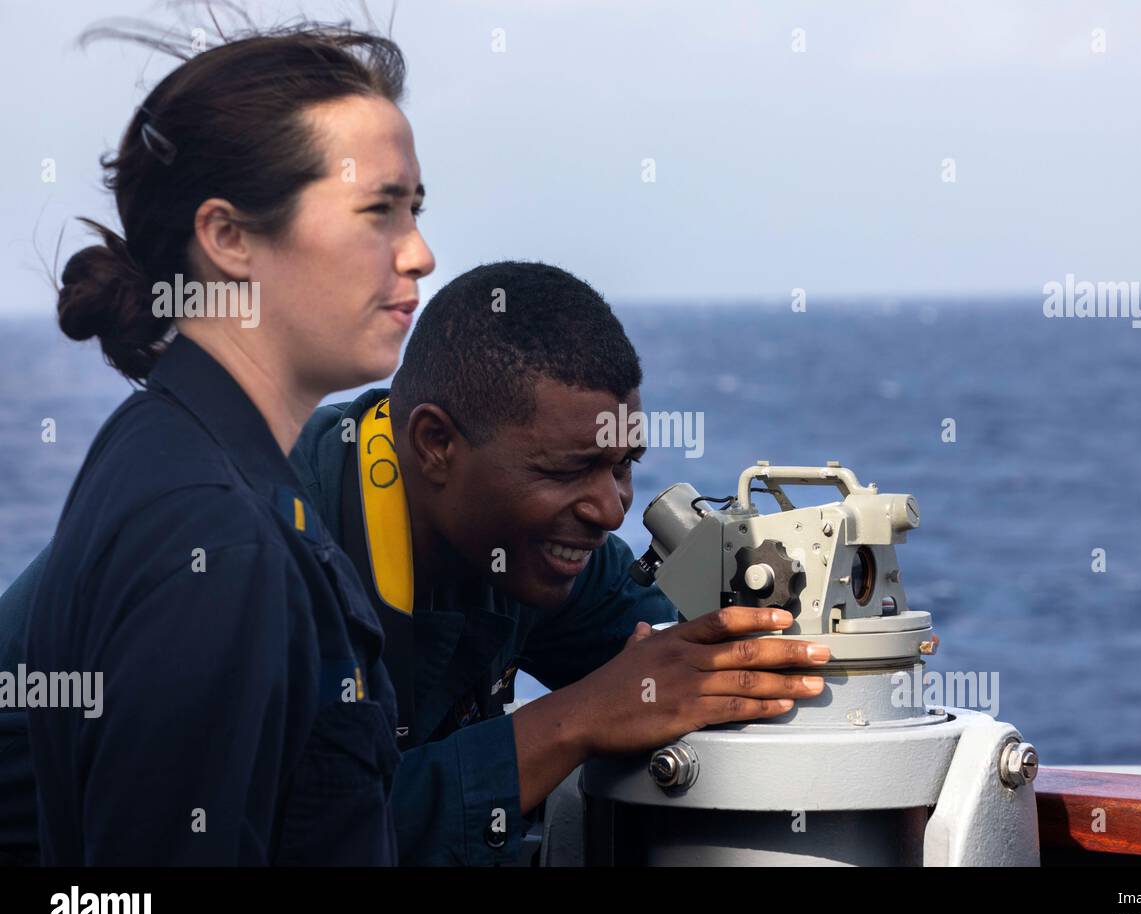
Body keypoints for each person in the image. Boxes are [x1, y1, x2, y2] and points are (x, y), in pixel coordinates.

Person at [0, 261, 829, 865]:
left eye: (622, 465)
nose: (610, 507)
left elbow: (679, 656)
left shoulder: (521, 541)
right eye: (567, 471)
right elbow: (301, 841)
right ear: (435, 443)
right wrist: (575, 719)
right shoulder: (252, 563)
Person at [17, 22, 436, 864]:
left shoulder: (164, 450)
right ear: (229, 239)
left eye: (415, 212)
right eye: (378, 211)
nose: (419, 254)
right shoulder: (215, 534)